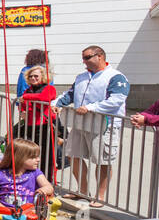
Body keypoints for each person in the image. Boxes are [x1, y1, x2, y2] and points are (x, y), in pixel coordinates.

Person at [53, 45, 130, 208]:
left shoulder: (116, 77)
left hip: (103, 124)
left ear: (100, 56)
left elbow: (117, 99)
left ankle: (99, 196)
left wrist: (91, 107)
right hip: (80, 123)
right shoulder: (82, 76)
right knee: (73, 155)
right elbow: (70, 94)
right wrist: (57, 103)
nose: (84, 61)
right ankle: (82, 191)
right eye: (83, 58)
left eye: (87, 57)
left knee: (102, 160)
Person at [13, 65, 58, 177]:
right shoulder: (29, 89)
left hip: (44, 126)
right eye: (31, 76)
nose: (33, 78)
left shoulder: (49, 88)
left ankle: (47, 179)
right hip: (29, 126)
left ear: (42, 76)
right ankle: (30, 177)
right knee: (28, 154)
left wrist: (26, 97)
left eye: (36, 76)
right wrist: (22, 110)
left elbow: (43, 97)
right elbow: (22, 104)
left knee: (46, 155)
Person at [0, 138, 54, 211]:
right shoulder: (1, 174)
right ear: (19, 158)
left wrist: (41, 190)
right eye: (33, 157)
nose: (38, 159)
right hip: (5, 213)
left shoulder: (35, 173)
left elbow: (49, 188)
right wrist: (2, 208)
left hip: (27, 213)